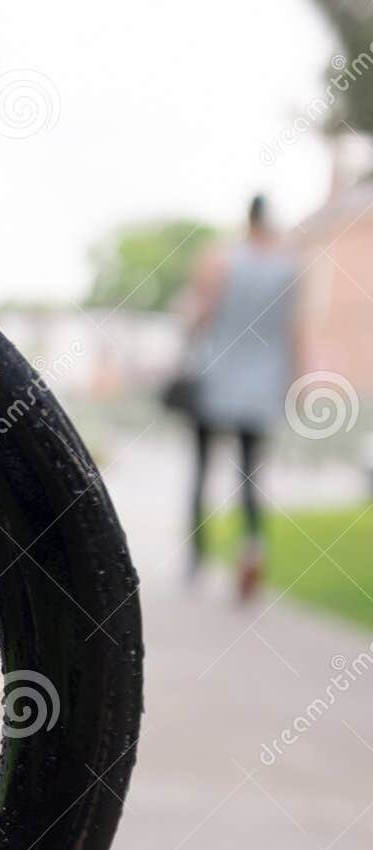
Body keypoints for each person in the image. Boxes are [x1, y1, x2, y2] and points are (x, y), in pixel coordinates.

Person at [183, 194, 301, 600]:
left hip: (215, 375)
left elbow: (200, 315)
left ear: (247, 220)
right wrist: (295, 380)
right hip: (262, 385)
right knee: (250, 475)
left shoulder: (220, 258)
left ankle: (196, 558)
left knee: (201, 470)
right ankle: (252, 548)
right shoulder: (289, 268)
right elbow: (293, 329)